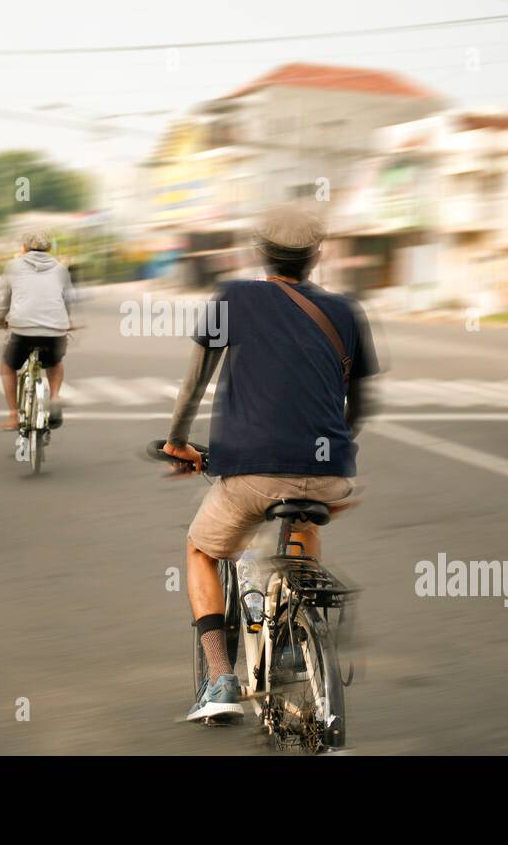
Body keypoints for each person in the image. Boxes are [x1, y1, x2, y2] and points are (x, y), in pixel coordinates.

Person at [163, 205, 379, 722]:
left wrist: (177, 441)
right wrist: (329, 449)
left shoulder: (232, 297)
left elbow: (195, 381)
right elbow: (362, 405)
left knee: (200, 549)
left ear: (261, 254)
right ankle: (291, 629)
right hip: (328, 473)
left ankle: (219, 681)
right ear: (317, 256)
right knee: (303, 520)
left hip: (251, 472)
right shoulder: (347, 310)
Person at [0, 231, 75, 431]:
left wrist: (0, 319)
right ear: (49, 248)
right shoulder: (61, 269)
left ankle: (13, 416)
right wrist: (67, 321)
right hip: (55, 329)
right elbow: (67, 299)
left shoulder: (12, 266)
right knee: (55, 363)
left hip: (23, 329)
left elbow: (5, 298)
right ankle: (54, 397)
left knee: (8, 366)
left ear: (24, 248)